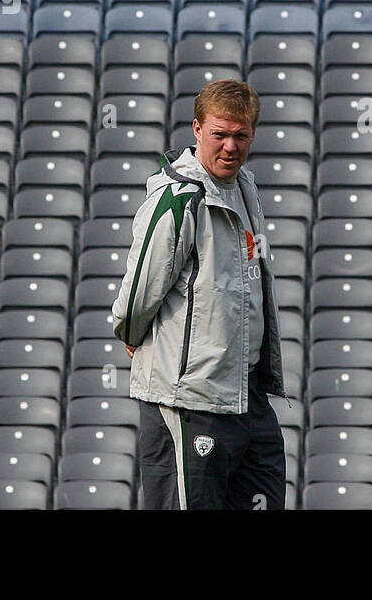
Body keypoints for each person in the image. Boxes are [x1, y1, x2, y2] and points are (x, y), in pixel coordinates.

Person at [111, 79, 289, 510]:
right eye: (220, 134)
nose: (230, 146)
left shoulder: (246, 187)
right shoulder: (178, 198)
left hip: (245, 396)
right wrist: (130, 332)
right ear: (197, 130)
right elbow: (139, 290)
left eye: (241, 135)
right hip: (189, 398)